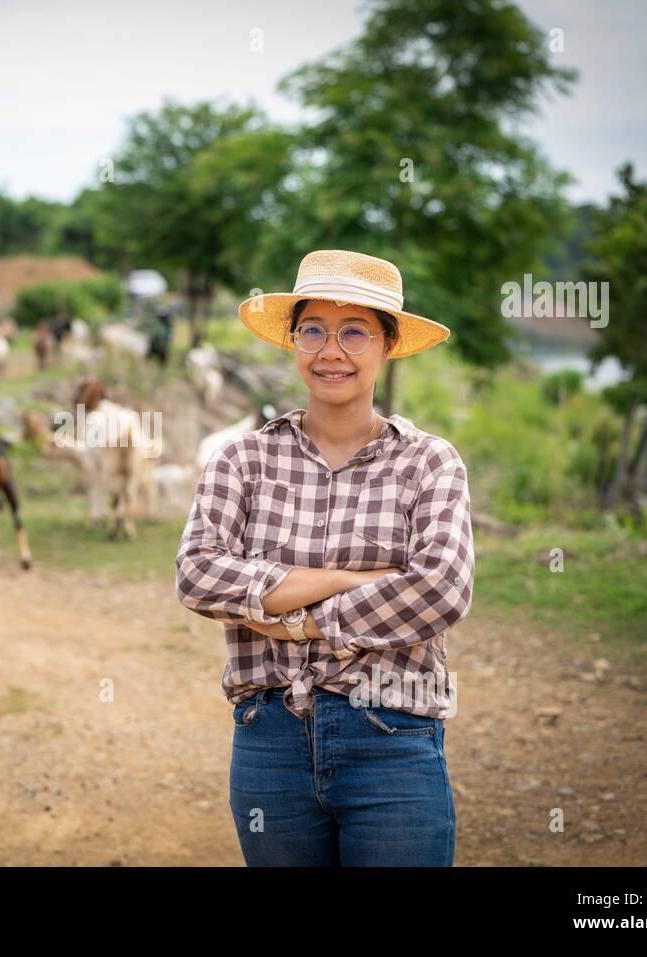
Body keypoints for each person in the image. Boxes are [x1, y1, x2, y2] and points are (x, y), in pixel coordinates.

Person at [175, 249, 475, 866]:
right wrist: (349, 579)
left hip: (393, 734)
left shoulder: (429, 462)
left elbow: (441, 590)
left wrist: (298, 619)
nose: (330, 350)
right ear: (292, 340)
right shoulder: (241, 460)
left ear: (388, 345)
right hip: (269, 742)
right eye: (312, 329)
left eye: (354, 332)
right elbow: (199, 573)